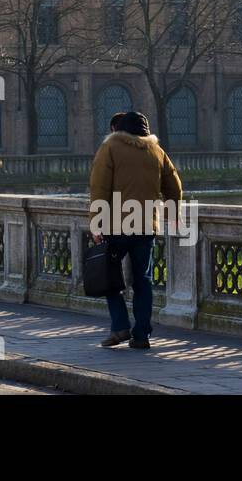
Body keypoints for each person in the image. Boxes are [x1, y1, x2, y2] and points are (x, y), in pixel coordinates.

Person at [88, 111, 182, 350]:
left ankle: (120, 326)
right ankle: (141, 335)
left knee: (107, 277)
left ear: (118, 130)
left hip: (117, 226)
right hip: (145, 227)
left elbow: (99, 187)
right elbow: (174, 186)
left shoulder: (110, 148)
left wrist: (97, 222)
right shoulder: (156, 151)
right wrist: (171, 215)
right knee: (143, 281)